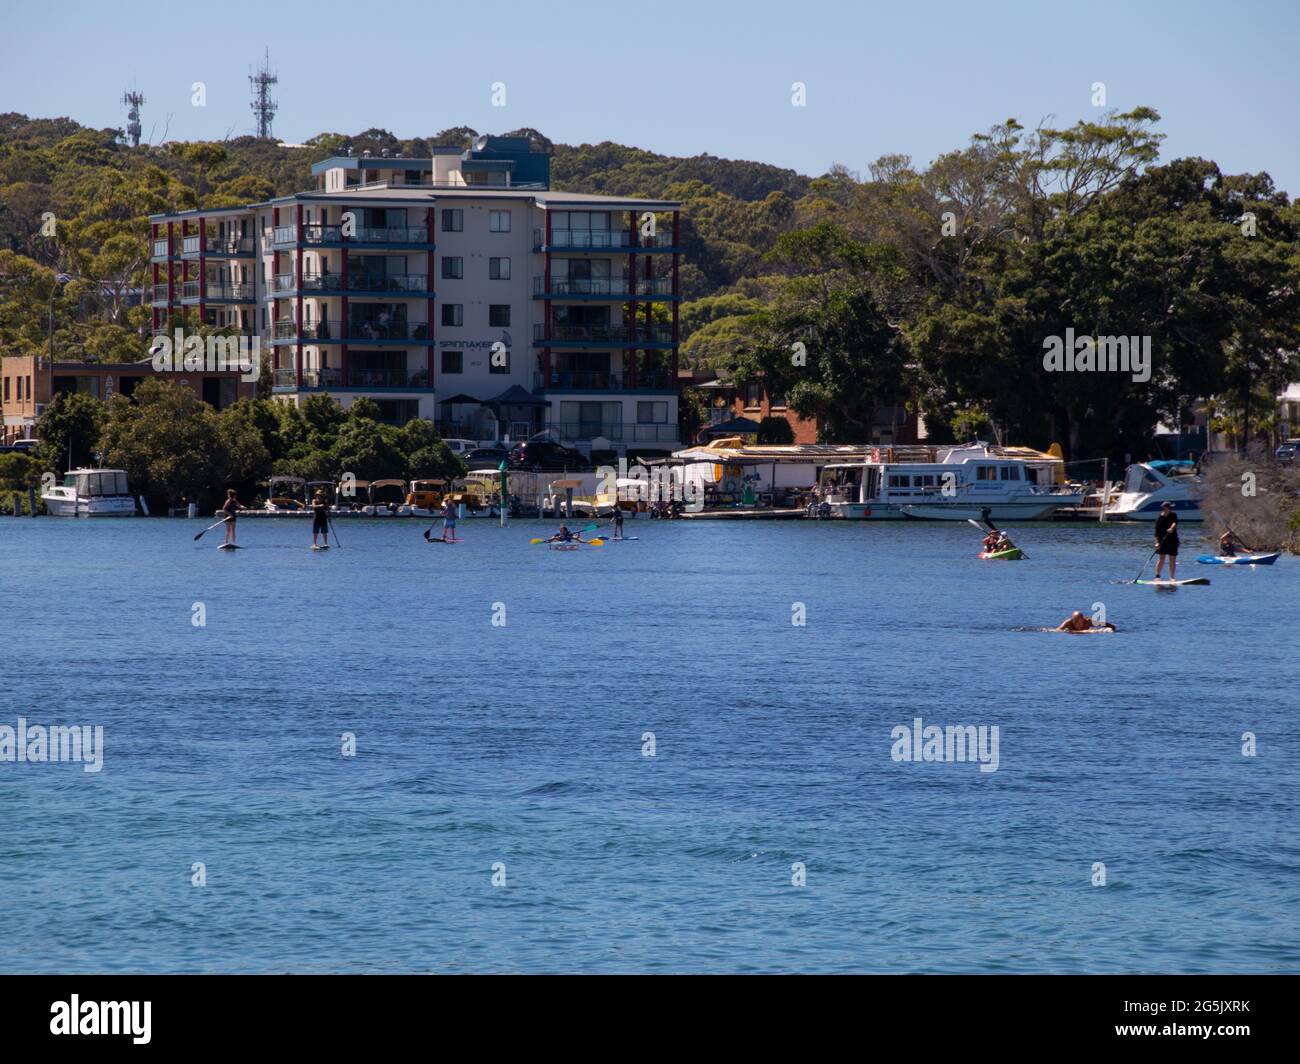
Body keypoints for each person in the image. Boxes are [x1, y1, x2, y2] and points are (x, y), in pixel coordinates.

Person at [1153, 501, 1179, 580]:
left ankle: (1172, 577)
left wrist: (1171, 528)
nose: (1171, 509)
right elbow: (1156, 533)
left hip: (1173, 540)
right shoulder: (1159, 519)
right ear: (1165, 508)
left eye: (1171, 508)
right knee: (1162, 558)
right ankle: (1157, 576)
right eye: (1169, 507)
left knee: (1173, 558)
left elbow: (1175, 523)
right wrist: (1157, 543)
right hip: (1162, 540)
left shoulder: (1173, 515)